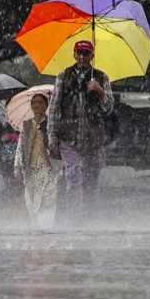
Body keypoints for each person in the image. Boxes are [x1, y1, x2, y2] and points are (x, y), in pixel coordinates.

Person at [47, 39, 114, 224]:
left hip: (94, 140)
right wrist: (51, 134)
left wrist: (100, 92)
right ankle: (74, 219)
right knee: (73, 177)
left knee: (91, 182)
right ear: (74, 55)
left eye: (86, 53)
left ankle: (89, 219)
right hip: (69, 138)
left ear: (92, 56)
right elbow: (54, 107)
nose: (83, 57)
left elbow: (109, 109)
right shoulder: (63, 76)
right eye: (79, 53)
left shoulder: (102, 77)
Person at [14, 93, 58, 228]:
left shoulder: (51, 125)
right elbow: (20, 147)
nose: (37, 105)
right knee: (31, 200)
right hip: (31, 169)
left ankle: (46, 226)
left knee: (48, 198)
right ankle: (36, 226)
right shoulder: (26, 126)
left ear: (46, 106)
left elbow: (56, 146)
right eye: (34, 103)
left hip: (48, 168)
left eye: (40, 103)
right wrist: (17, 166)